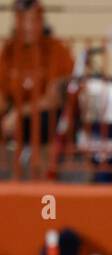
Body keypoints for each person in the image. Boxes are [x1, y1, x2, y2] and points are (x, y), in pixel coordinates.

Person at [0, 0, 72, 161]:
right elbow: (2, 94)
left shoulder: (56, 50)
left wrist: (18, 113)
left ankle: (42, 171)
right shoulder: (9, 51)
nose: (27, 27)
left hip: (42, 117)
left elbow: (53, 99)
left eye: (32, 20)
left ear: (41, 21)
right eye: (22, 20)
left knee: (45, 120)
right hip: (14, 115)